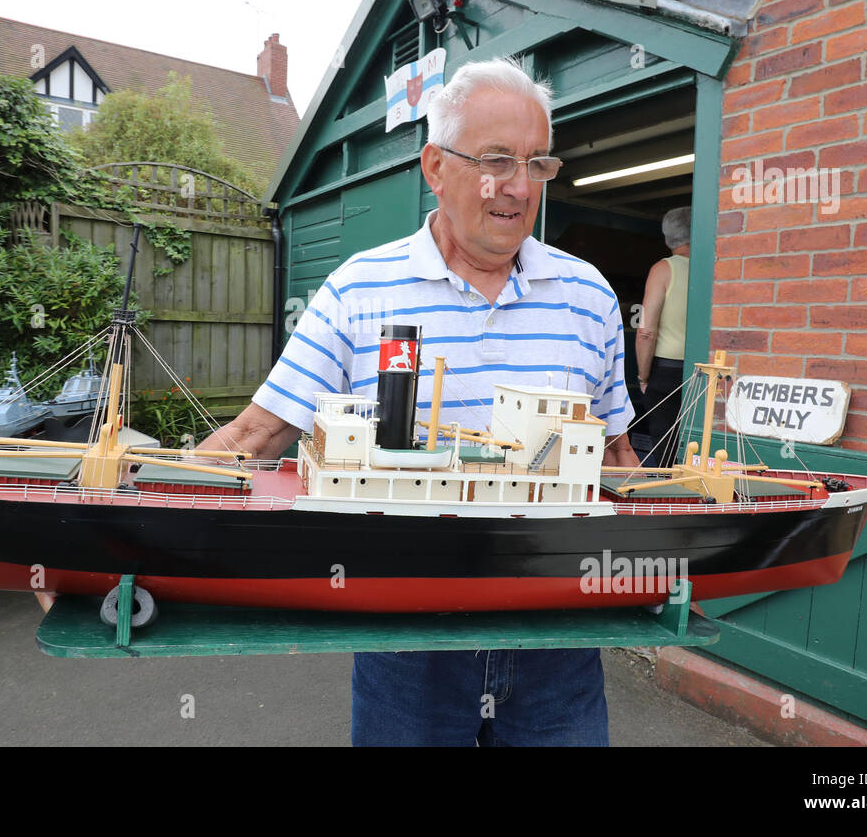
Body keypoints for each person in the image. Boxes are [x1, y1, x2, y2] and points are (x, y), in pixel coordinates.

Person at [210, 56, 638, 746]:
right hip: (406, 642)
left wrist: (665, 552)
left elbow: (618, 458)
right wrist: (110, 535)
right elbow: (254, 437)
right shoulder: (360, 290)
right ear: (435, 167)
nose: (520, 187)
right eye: (498, 160)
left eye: (537, 164)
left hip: (556, 639)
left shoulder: (588, 296)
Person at [635, 207, 690, 468]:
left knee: (665, 450)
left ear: (667, 239)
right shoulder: (713, 267)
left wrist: (643, 377)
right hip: (704, 371)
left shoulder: (663, 269)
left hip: (666, 373)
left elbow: (646, 331)